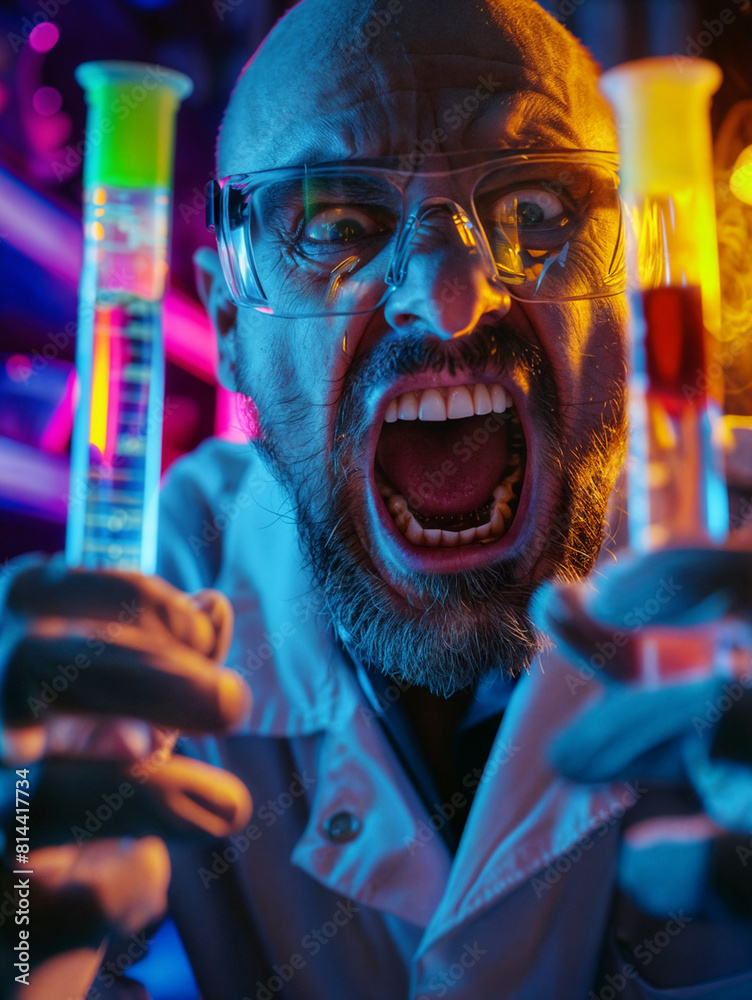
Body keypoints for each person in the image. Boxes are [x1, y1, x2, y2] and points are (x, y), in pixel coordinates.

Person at [2, 1, 752, 997]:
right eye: (335, 224)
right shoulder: (154, 586)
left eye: (536, 211)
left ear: (632, 297)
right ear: (229, 328)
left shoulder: (730, 580)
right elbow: (44, 924)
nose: (446, 299)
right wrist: (18, 925)